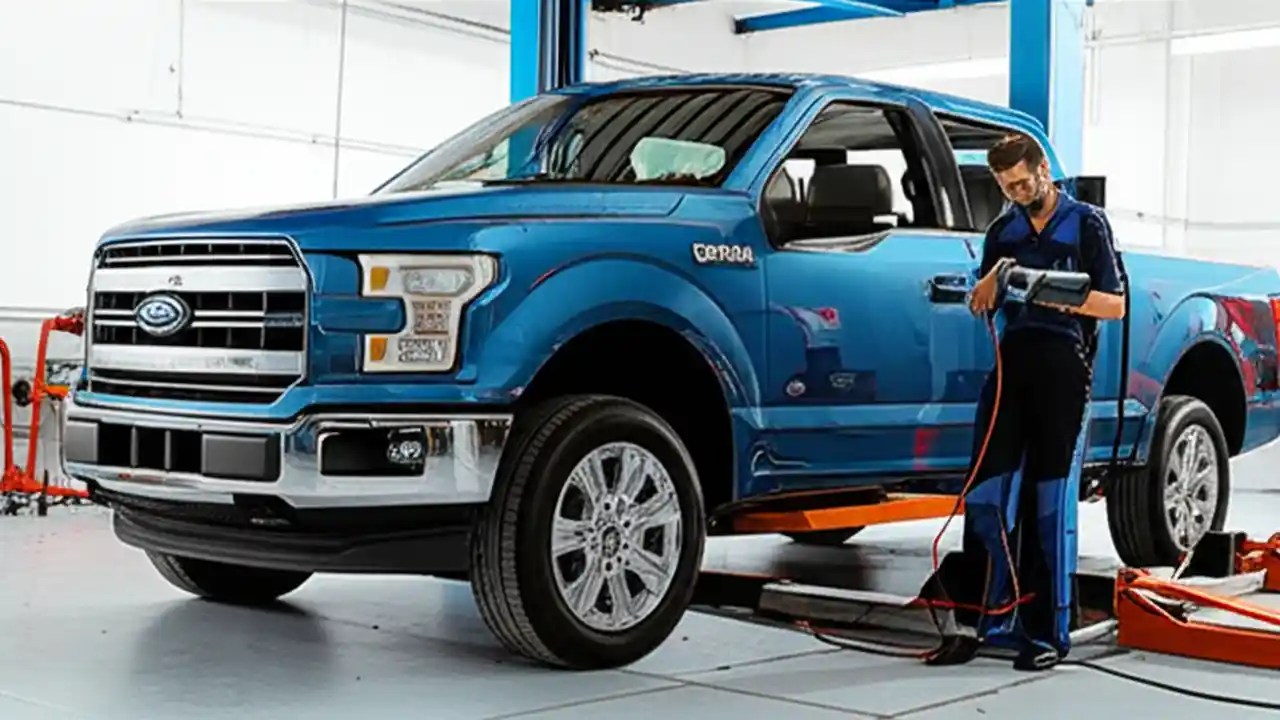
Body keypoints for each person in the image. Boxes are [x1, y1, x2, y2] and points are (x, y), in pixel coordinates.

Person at [930, 133, 1126, 671]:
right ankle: (975, 622)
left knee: (1046, 500)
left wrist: (1034, 282)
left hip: (1063, 368)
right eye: (1006, 186)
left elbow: (1113, 304)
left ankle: (1042, 634)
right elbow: (985, 299)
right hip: (1011, 367)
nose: (1017, 192)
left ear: (1044, 170)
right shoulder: (1003, 232)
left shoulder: (1086, 223)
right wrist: (984, 287)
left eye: (1023, 182)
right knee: (987, 495)